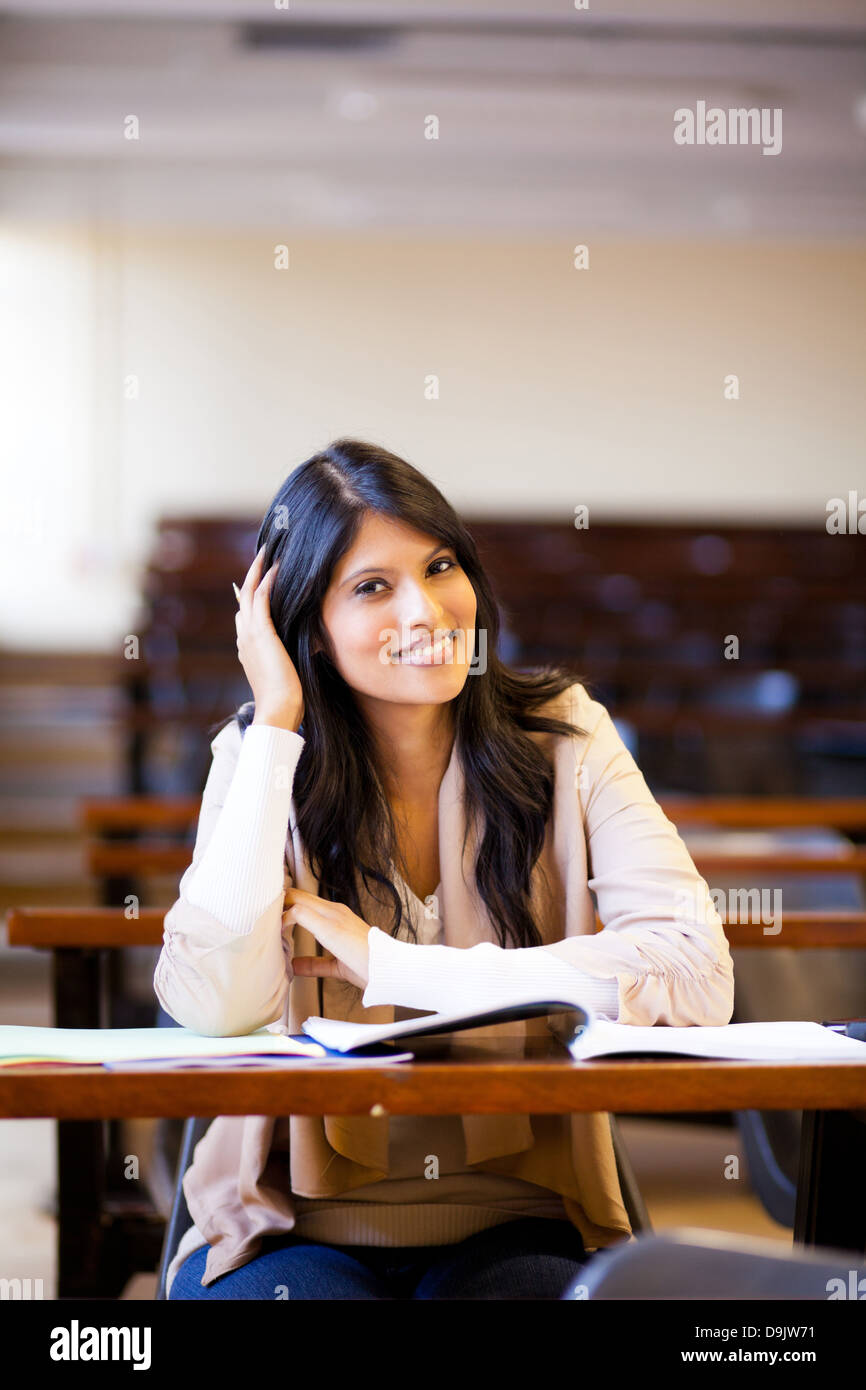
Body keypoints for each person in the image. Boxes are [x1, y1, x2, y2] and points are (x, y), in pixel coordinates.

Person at [157, 436, 735, 1299]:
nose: (426, 613)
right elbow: (213, 1007)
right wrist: (276, 720)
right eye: (372, 587)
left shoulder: (569, 737)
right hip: (286, 1230)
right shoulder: (260, 754)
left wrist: (396, 966)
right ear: (305, 626)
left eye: (439, 566)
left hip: (523, 1222)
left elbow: (696, 971)